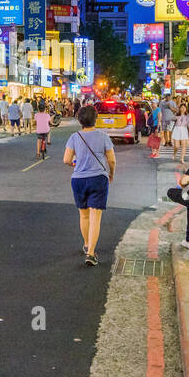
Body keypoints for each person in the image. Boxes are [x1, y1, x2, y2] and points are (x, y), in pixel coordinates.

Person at [65, 104, 116, 267]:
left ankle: (87, 244)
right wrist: (111, 173)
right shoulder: (103, 136)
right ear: (96, 119)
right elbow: (111, 159)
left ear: (80, 120)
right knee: (95, 217)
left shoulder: (74, 137)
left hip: (78, 180)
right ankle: (91, 254)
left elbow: (67, 160)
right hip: (98, 178)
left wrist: (76, 163)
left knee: (84, 215)